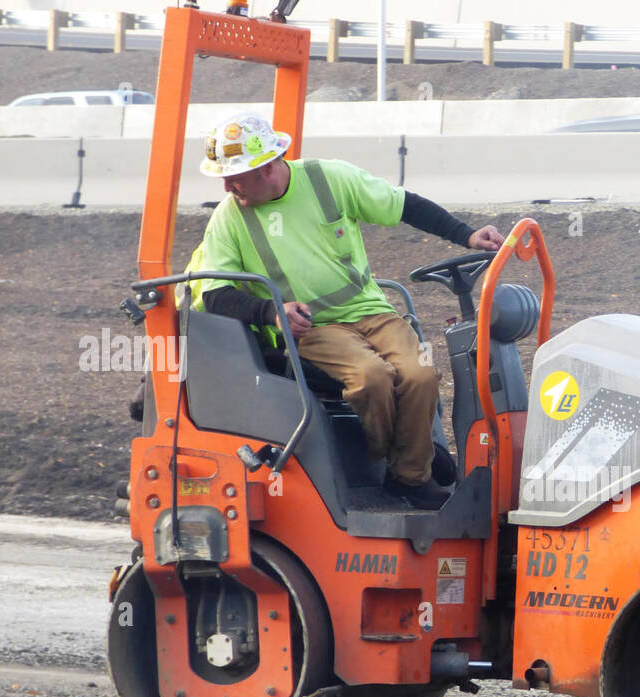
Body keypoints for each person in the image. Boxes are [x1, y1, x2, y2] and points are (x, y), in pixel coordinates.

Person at [197, 112, 504, 509]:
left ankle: (408, 475)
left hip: (373, 312)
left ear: (268, 166)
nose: (225, 185)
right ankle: (409, 464)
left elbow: (403, 205)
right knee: (373, 378)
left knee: (421, 374)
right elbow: (214, 294)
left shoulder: (329, 179)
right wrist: (272, 313)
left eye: (235, 175)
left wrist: (466, 234)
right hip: (314, 330)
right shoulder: (229, 218)